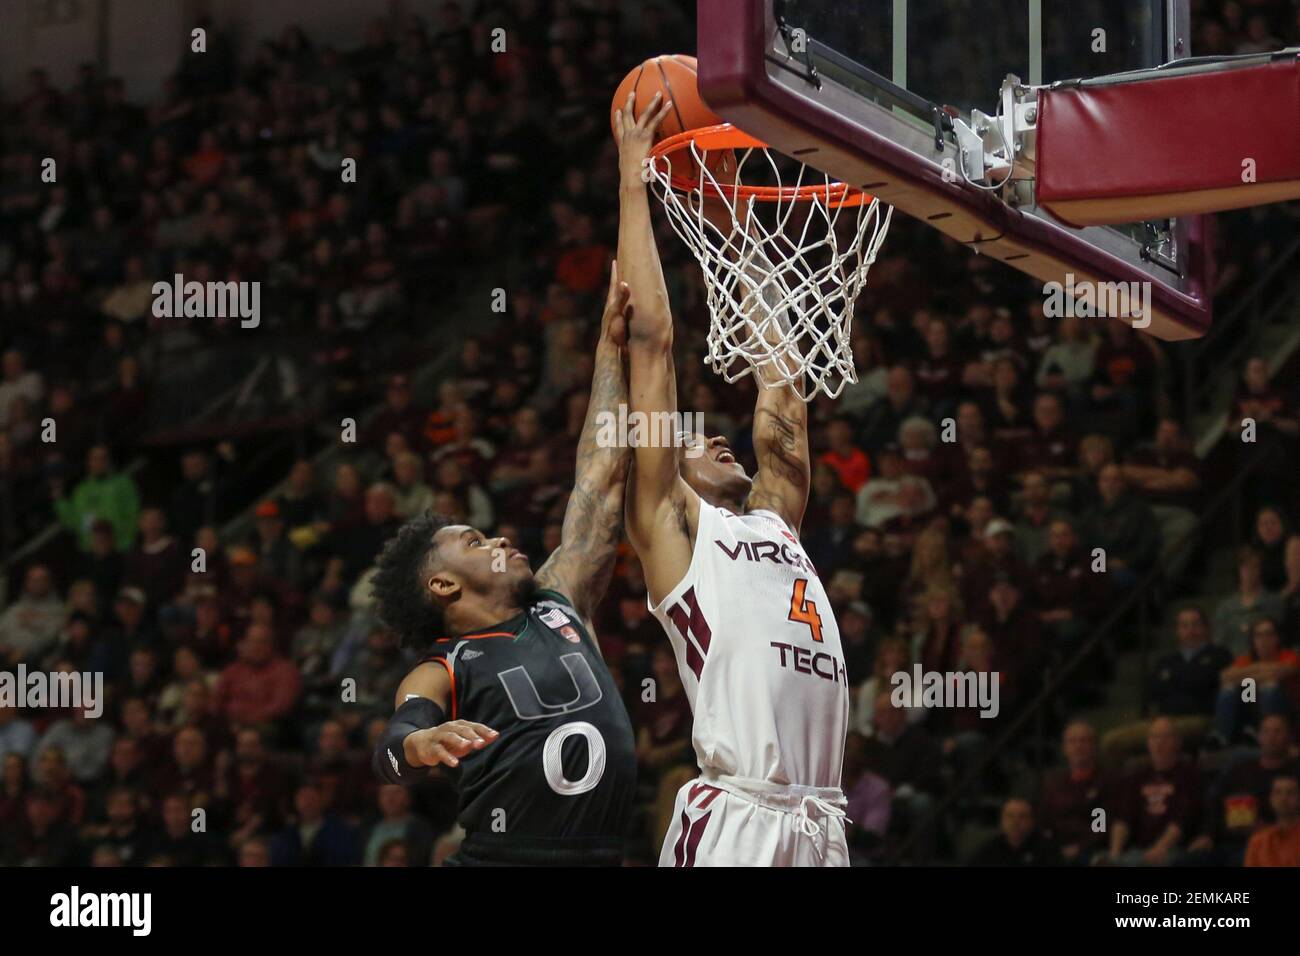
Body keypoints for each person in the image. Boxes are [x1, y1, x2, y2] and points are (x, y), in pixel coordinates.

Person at [615, 91, 850, 866]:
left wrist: (736, 227)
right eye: (692, 440)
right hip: (739, 817)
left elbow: (783, 394)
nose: (716, 435)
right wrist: (633, 181)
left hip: (821, 819)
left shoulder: (774, 518)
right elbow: (652, 344)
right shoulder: (675, 531)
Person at [370, 263, 636, 867]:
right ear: (442, 583)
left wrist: (608, 350)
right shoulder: (445, 666)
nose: (500, 539)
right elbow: (391, 748)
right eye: (474, 541)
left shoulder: (557, 600)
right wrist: (422, 742)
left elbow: (600, 477)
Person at [1243, 774, 1300, 867]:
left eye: (1290, 792)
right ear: (1271, 799)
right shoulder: (1258, 841)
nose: (1283, 798)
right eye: (1277, 792)